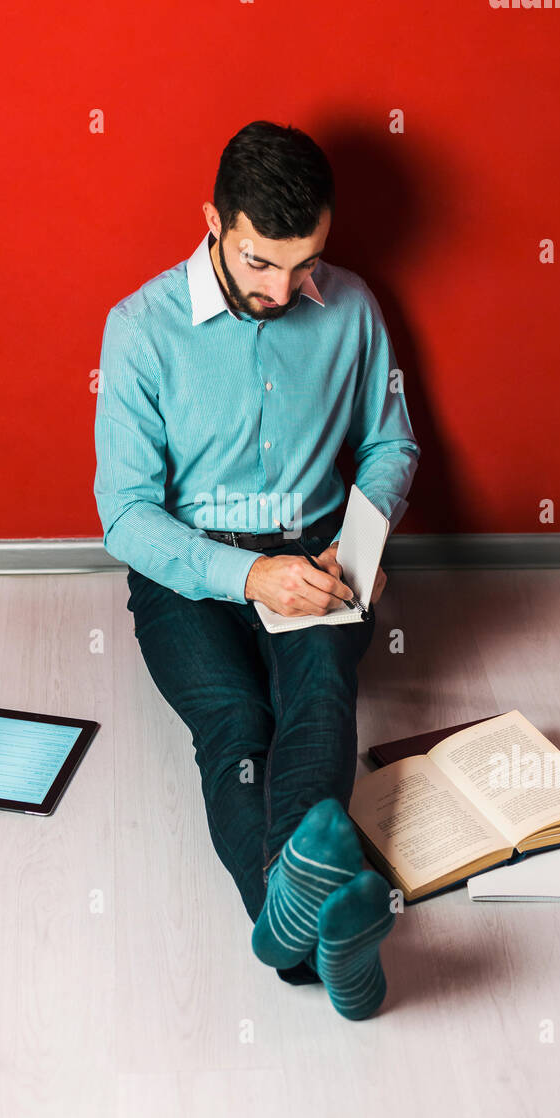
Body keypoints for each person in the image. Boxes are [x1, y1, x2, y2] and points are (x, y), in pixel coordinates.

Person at [93, 120, 420, 1019]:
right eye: (259, 263)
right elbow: (123, 512)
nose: (282, 289)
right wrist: (244, 579)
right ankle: (310, 949)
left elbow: (391, 445)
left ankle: (287, 937)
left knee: (318, 693)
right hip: (187, 571)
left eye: (302, 262)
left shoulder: (351, 306)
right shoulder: (140, 329)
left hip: (318, 553)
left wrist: (363, 545)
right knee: (237, 721)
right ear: (213, 221)